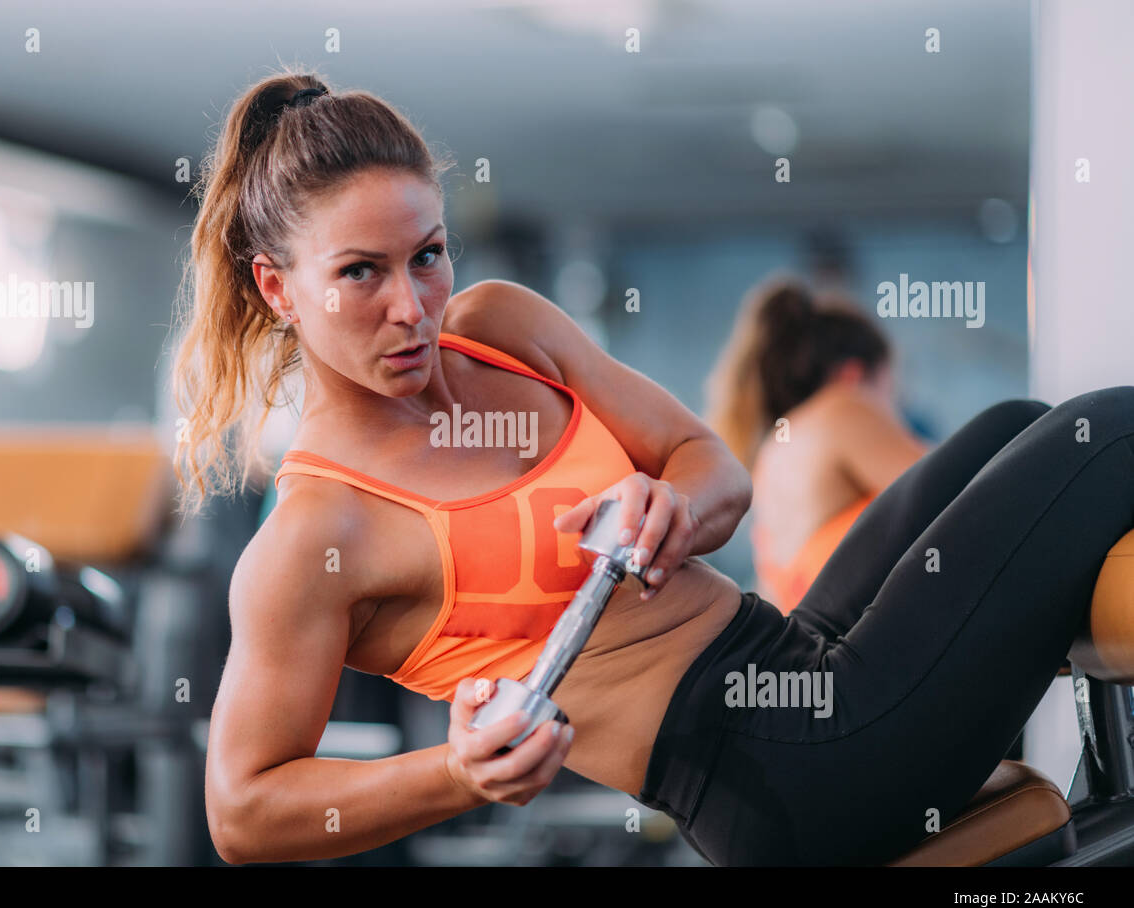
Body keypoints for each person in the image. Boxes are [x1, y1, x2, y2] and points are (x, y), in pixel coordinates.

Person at [171, 69, 1134, 866]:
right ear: (277, 288)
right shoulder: (316, 533)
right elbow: (243, 811)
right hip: (792, 771)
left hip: (790, 655)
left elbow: (709, 463)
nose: (413, 307)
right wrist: (457, 775)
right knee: (1107, 432)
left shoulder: (502, 329)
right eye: (359, 273)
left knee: (1018, 422)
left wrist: (671, 500)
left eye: (427, 256)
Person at [704, 279, 930, 613]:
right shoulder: (843, 407)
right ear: (853, 375)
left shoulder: (772, 455)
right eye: (891, 388)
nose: (894, 410)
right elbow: (967, 495)